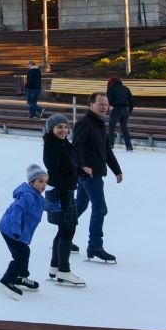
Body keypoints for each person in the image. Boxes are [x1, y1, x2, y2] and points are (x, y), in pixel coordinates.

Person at [73, 92, 123, 263]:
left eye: (106, 104)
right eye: (100, 104)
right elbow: (76, 147)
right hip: (89, 174)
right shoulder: (84, 123)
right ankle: (94, 245)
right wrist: (82, 166)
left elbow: (107, 151)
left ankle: (62, 235)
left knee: (79, 205)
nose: (104, 107)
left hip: (95, 172)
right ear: (90, 105)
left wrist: (117, 170)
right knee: (100, 209)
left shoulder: (99, 124)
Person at [41, 114, 86, 287]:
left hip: (65, 189)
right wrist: (65, 193)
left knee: (63, 230)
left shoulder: (63, 143)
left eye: (66, 126)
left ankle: (55, 267)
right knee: (68, 229)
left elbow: (69, 166)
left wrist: (80, 171)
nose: (64, 130)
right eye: (59, 127)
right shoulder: (52, 146)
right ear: (51, 129)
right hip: (61, 191)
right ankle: (64, 270)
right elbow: (54, 172)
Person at [0, 164, 47, 299]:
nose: (43, 185)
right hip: (11, 230)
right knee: (21, 254)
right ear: (31, 182)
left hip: (15, 230)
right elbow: (16, 211)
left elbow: (45, 205)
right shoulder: (27, 196)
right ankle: (6, 281)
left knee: (24, 252)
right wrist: (16, 230)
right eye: (40, 181)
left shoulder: (37, 197)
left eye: (45, 182)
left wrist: (60, 206)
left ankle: (19, 276)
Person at [106, 77, 135, 152]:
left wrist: (110, 105)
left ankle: (110, 145)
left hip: (117, 109)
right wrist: (130, 110)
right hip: (126, 110)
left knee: (111, 127)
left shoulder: (111, 87)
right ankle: (129, 146)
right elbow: (131, 100)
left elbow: (109, 99)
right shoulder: (125, 88)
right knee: (124, 128)